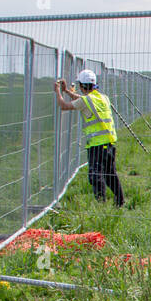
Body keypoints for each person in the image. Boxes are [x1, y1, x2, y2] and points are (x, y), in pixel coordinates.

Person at [54, 69, 125, 206]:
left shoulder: (86, 101)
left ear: (81, 86)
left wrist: (57, 90)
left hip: (97, 144)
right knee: (110, 174)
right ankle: (119, 202)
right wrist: (68, 92)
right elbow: (82, 100)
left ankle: (101, 205)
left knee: (95, 176)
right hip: (109, 142)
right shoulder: (103, 98)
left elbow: (64, 106)